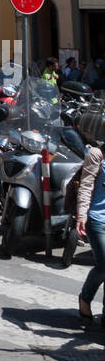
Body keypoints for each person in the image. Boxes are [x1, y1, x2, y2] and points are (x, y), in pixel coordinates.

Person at [76, 109, 105, 327]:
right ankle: (85, 298)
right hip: (97, 217)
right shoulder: (96, 154)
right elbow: (86, 186)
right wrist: (82, 215)